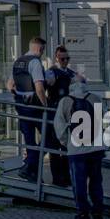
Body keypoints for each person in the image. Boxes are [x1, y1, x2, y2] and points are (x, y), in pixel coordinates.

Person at [55, 74, 105, 219]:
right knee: (96, 181)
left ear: (71, 85)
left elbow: (59, 126)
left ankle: (83, 214)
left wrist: (66, 143)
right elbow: (104, 120)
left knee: (79, 183)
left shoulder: (65, 101)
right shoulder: (95, 98)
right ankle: (98, 213)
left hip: (76, 150)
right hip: (95, 148)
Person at [5, 37, 48, 181]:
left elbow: (9, 85)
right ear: (40, 49)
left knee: (30, 140)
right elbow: (39, 88)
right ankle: (29, 167)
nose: (42, 53)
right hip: (35, 106)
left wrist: (18, 95)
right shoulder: (35, 62)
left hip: (21, 106)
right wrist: (45, 105)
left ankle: (31, 172)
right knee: (49, 136)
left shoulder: (18, 61)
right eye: (43, 50)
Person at [41, 45, 77, 187]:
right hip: (55, 114)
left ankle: (66, 176)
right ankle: (57, 178)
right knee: (55, 148)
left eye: (67, 58)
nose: (65, 61)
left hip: (68, 115)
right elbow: (42, 89)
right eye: (62, 58)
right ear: (56, 58)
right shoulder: (51, 73)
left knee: (68, 147)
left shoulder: (71, 73)